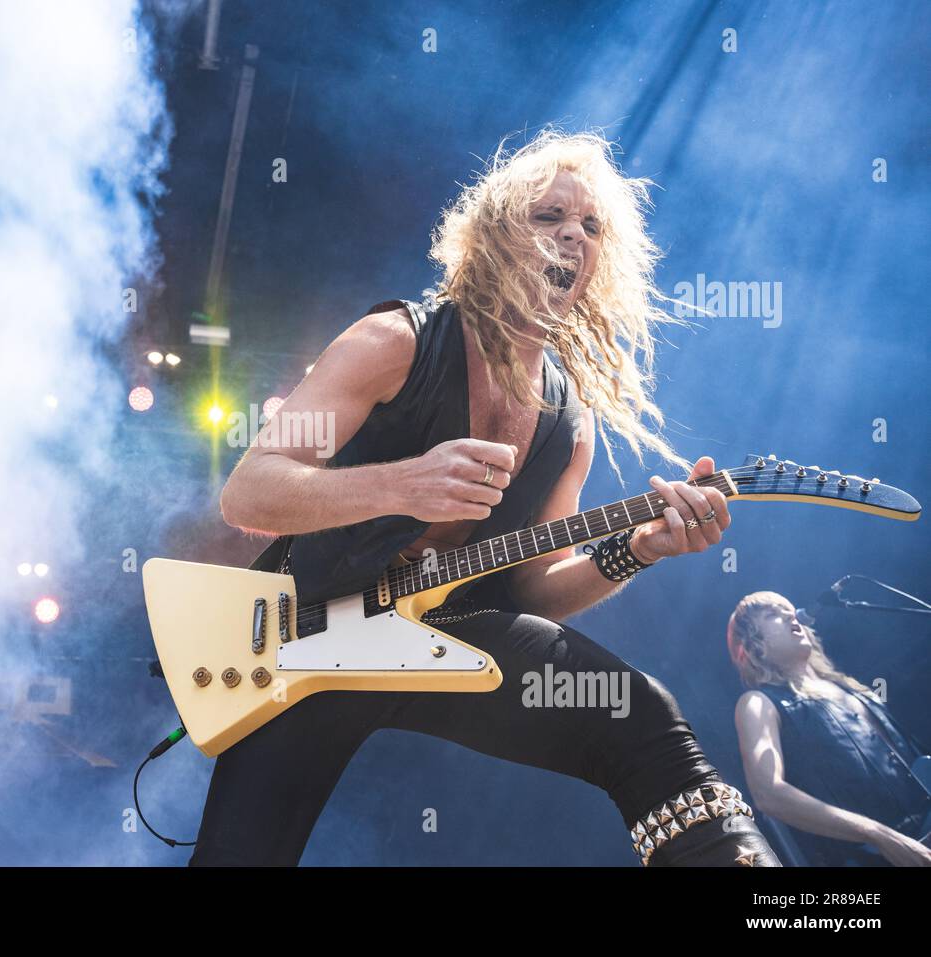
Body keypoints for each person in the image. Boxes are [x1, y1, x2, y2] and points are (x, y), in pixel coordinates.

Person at [190, 129, 780, 866]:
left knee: (634, 710)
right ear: (497, 233)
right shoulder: (394, 343)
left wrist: (637, 549)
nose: (574, 233)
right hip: (306, 639)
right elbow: (248, 491)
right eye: (550, 216)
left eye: (592, 226)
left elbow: (535, 588)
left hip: (449, 638)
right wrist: (401, 482)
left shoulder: (570, 423)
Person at [729, 590, 931, 866]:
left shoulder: (849, 688)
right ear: (753, 647)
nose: (791, 614)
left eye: (789, 608)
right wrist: (877, 834)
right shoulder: (758, 703)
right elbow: (768, 792)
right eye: (772, 614)